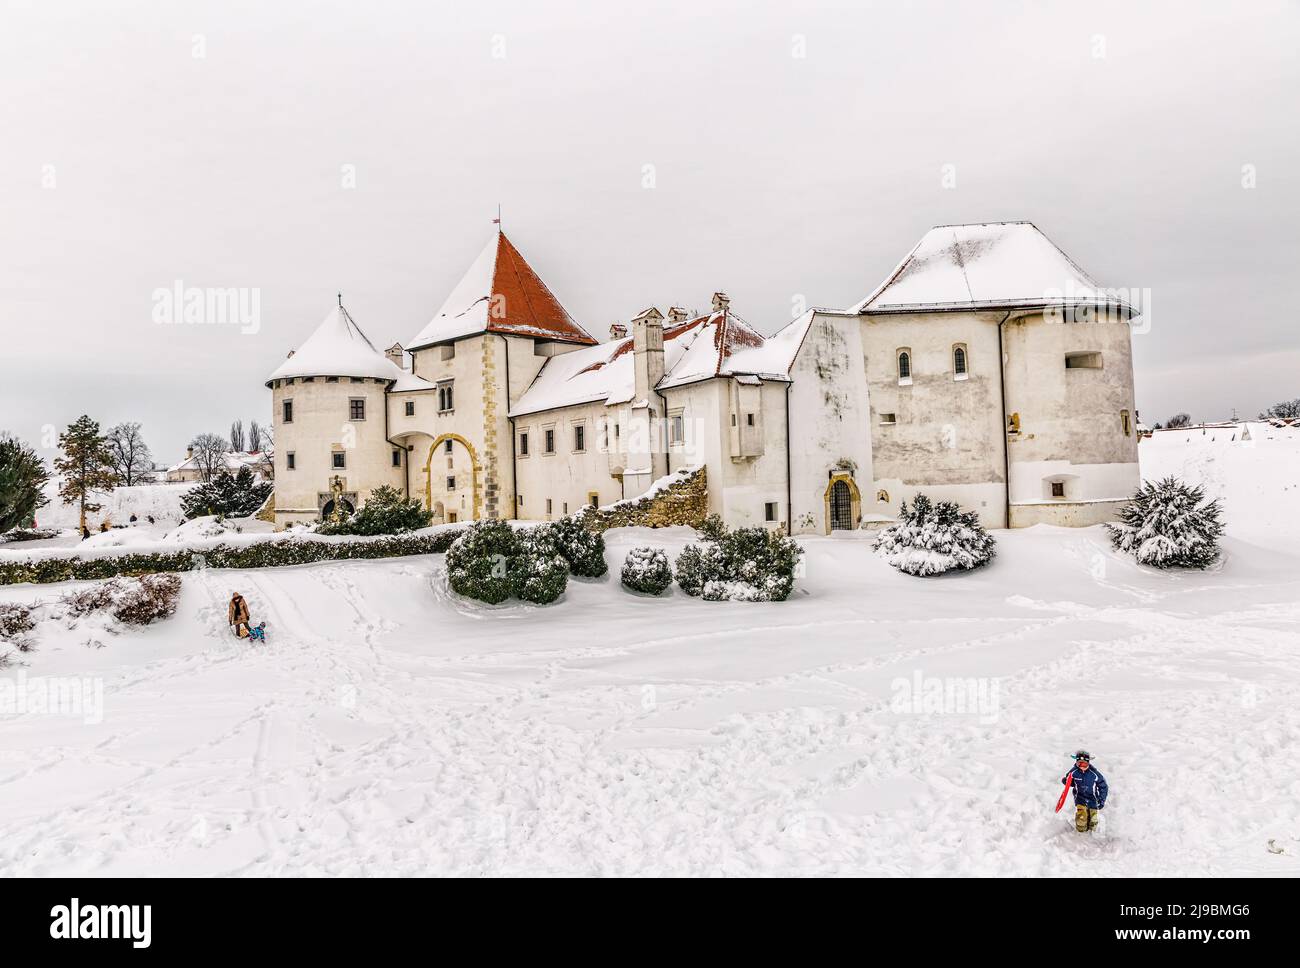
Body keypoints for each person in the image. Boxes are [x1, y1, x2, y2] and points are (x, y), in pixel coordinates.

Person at [1062, 750, 1108, 833]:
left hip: (1093, 799)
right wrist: (1066, 781)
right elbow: (1071, 781)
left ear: (1088, 763)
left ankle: (1091, 833)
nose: (1082, 766)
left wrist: (1101, 800)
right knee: (1082, 817)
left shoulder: (1094, 774)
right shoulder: (1074, 772)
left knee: (1093, 818)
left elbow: (1103, 787)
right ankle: (1081, 833)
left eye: (1085, 764)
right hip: (1080, 798)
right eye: (1079, 763)